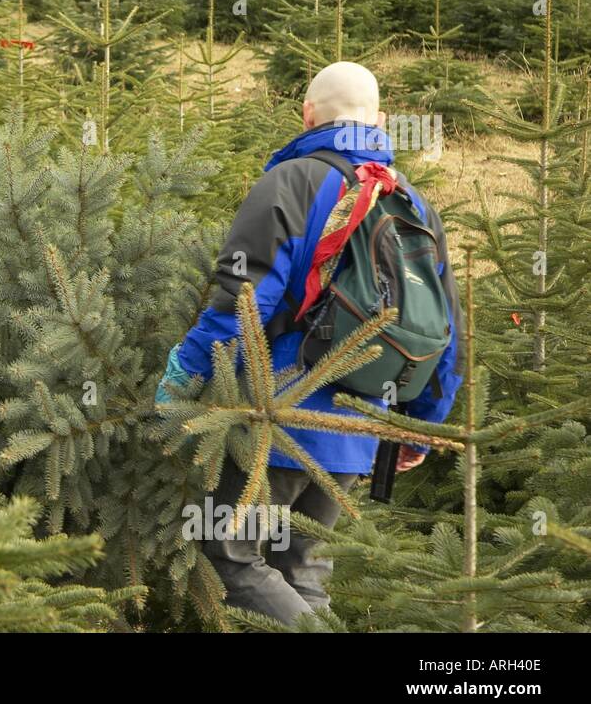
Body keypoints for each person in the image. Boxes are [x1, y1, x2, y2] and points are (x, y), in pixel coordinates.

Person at [156, 61, 463, 625]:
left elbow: (243, 303)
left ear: (307, 114)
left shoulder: (294, 181)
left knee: (229, 553)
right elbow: (446, 328)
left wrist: (183, 376)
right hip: (359, 424)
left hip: (281, 418)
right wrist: (421, 421)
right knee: (301, 569)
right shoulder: (415, 205)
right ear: (380, 119)